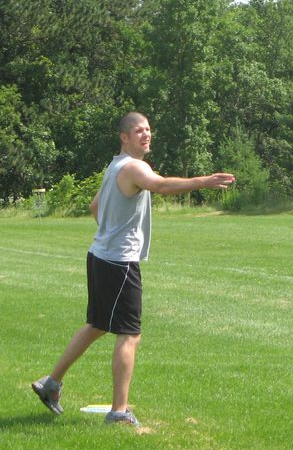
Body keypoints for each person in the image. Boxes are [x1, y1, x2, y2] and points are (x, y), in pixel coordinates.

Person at [32, 111, 235, 427]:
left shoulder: (114, 167)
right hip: (119, 262)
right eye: (139, 130)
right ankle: (119, 411)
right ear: (124, 137)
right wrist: (203, 181)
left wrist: (110, 232)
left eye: (149, 130)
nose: (146, 135)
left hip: (101, 256)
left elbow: (95, 206)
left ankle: (51, 384)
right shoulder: (133, 167)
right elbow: (161, 186)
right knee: (129, 334)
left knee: (97, 325)